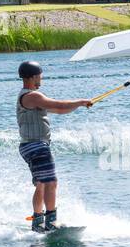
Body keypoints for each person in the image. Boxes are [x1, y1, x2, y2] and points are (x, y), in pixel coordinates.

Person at [16, 61, 92, 231]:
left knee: (42, 183)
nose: (41, 79)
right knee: (51, 181)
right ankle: (51, 222)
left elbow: (59, 110)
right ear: (33, 77)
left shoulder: (30, 97)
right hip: (37, 145)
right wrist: (80, 102)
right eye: (40, 76)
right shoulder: (32, 96)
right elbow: (58, 105)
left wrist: (78, 105)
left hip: (30, 145)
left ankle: (38, 222)